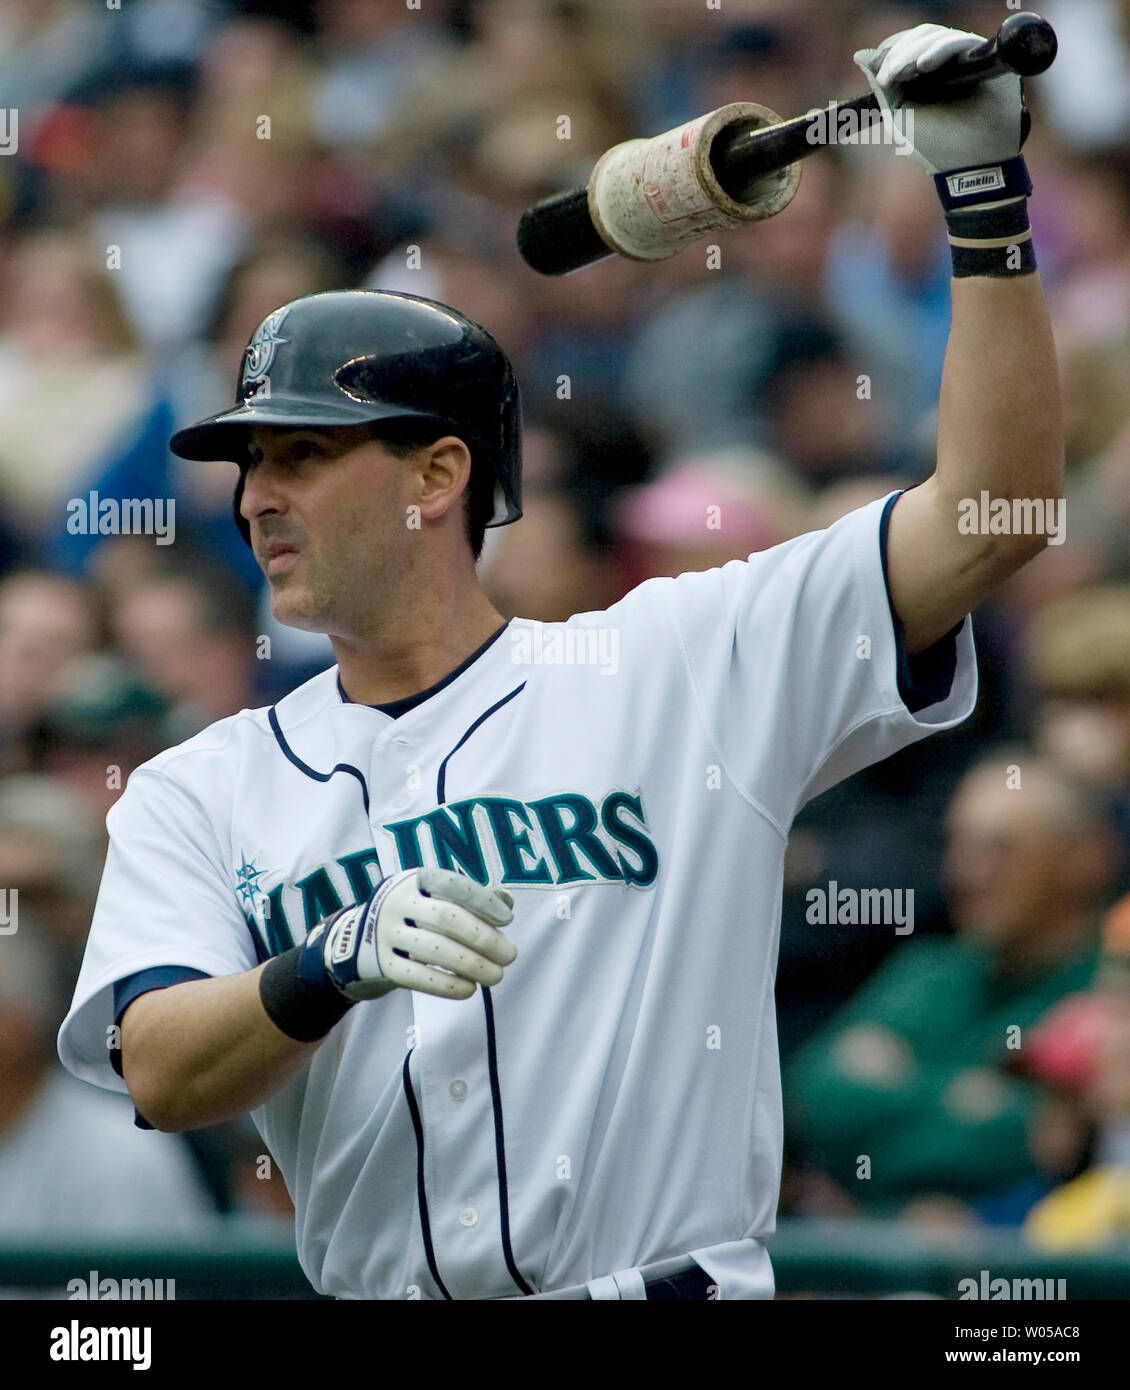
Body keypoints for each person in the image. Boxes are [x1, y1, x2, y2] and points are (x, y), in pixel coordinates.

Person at [60, 24, 1063, 1299]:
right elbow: (156, 1063)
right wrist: (327, 961)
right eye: (248, 460)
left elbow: (999, 509)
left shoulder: (678, 663)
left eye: (304, 454)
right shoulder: (197, 788)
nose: (257, 492)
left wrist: (979, 190)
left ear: (438, 475)